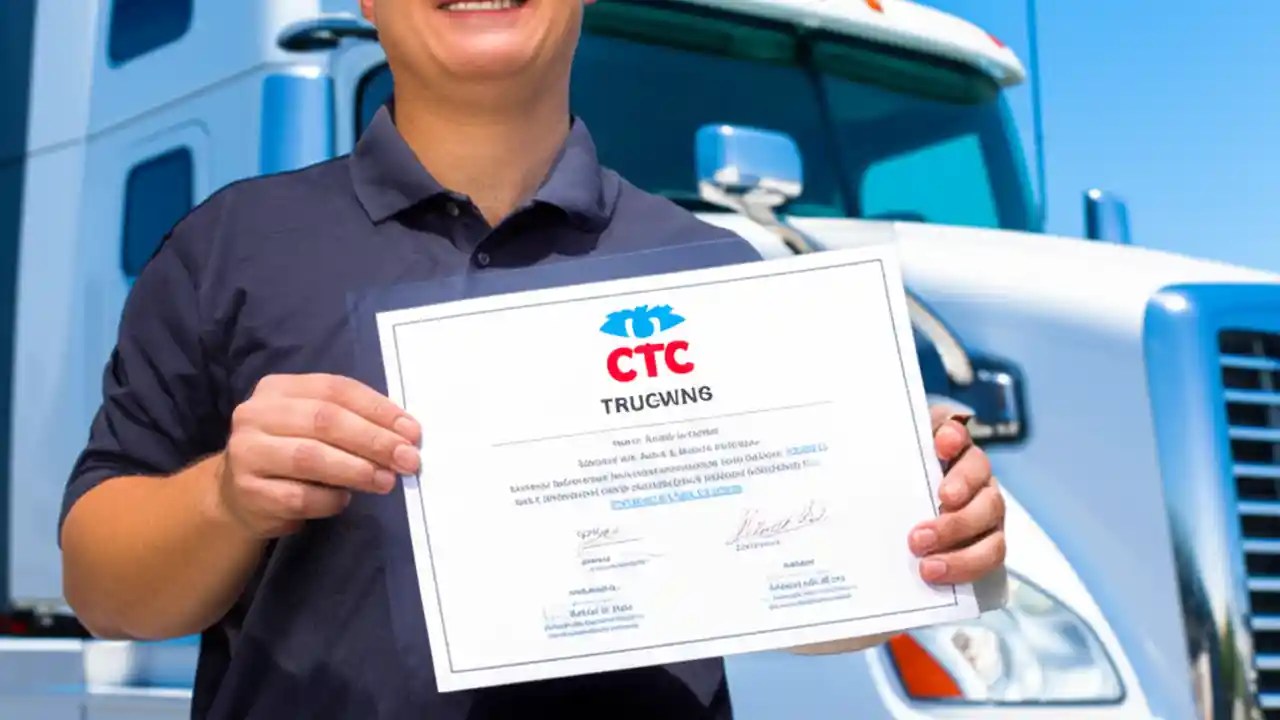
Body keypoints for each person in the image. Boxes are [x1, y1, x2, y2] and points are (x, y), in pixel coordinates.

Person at [58, 1, 1007, 718]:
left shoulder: (712, 266)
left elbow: (802, 601)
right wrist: (227, 495)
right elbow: (105, 594)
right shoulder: (231, 244)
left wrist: (914, 533)